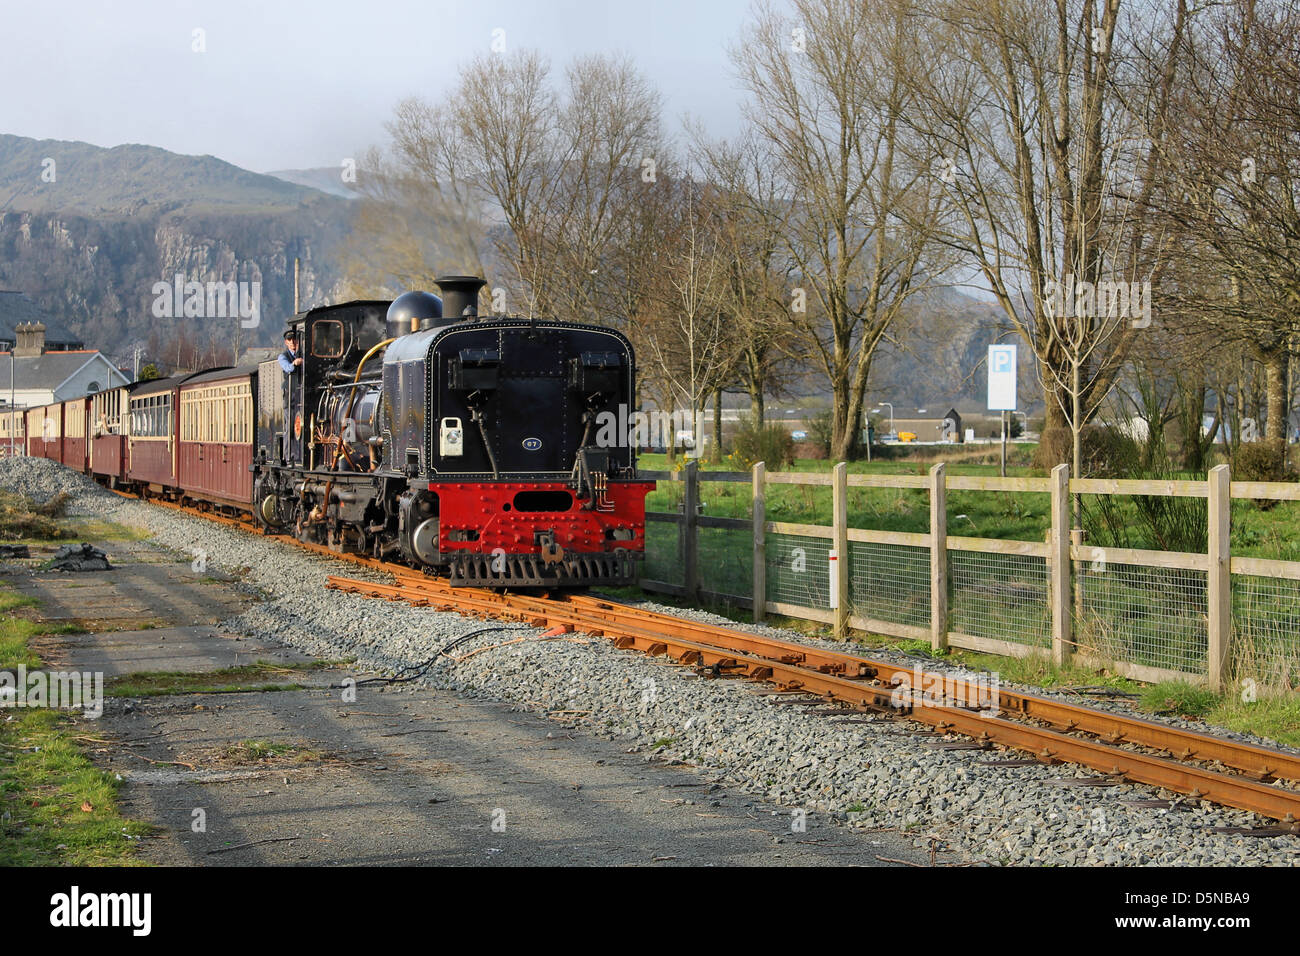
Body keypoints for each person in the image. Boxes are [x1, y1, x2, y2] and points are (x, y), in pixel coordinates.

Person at [279, 330, 303, 460]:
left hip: (303, 396)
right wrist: (294, 363)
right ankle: (289, 456)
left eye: (294, 339)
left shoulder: (302, 354)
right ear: (286, 342)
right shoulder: (283, 357)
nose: (293, 342)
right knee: (290, 428)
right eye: (290, 340)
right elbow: (287, 368)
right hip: (291, 397)